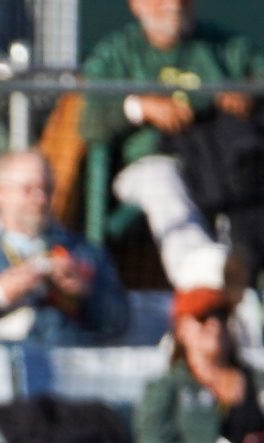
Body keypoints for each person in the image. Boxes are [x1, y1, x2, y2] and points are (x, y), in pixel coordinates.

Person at [79, 0, 264, 293]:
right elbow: (89, 123)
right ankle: (202, 282)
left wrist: (249, 92)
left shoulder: (222, 46)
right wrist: (140, 107)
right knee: (161, 181)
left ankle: (240, 286)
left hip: (217, 166)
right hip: (146, 167)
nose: (174, 5)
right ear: (136, 5)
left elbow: (258, 70)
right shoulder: (117, 51)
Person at [0, 150, 129, 346]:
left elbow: (118, 324)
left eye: (46, 189)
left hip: (71, 369)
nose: (40, 199)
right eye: (28, 189)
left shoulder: (84, 252)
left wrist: (86, 291)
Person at [136, 286, 264, 443]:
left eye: (221, 316)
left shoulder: (257, 381)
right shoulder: (165, 389)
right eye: (203, 317)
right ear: (182, 329)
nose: (214, 324)